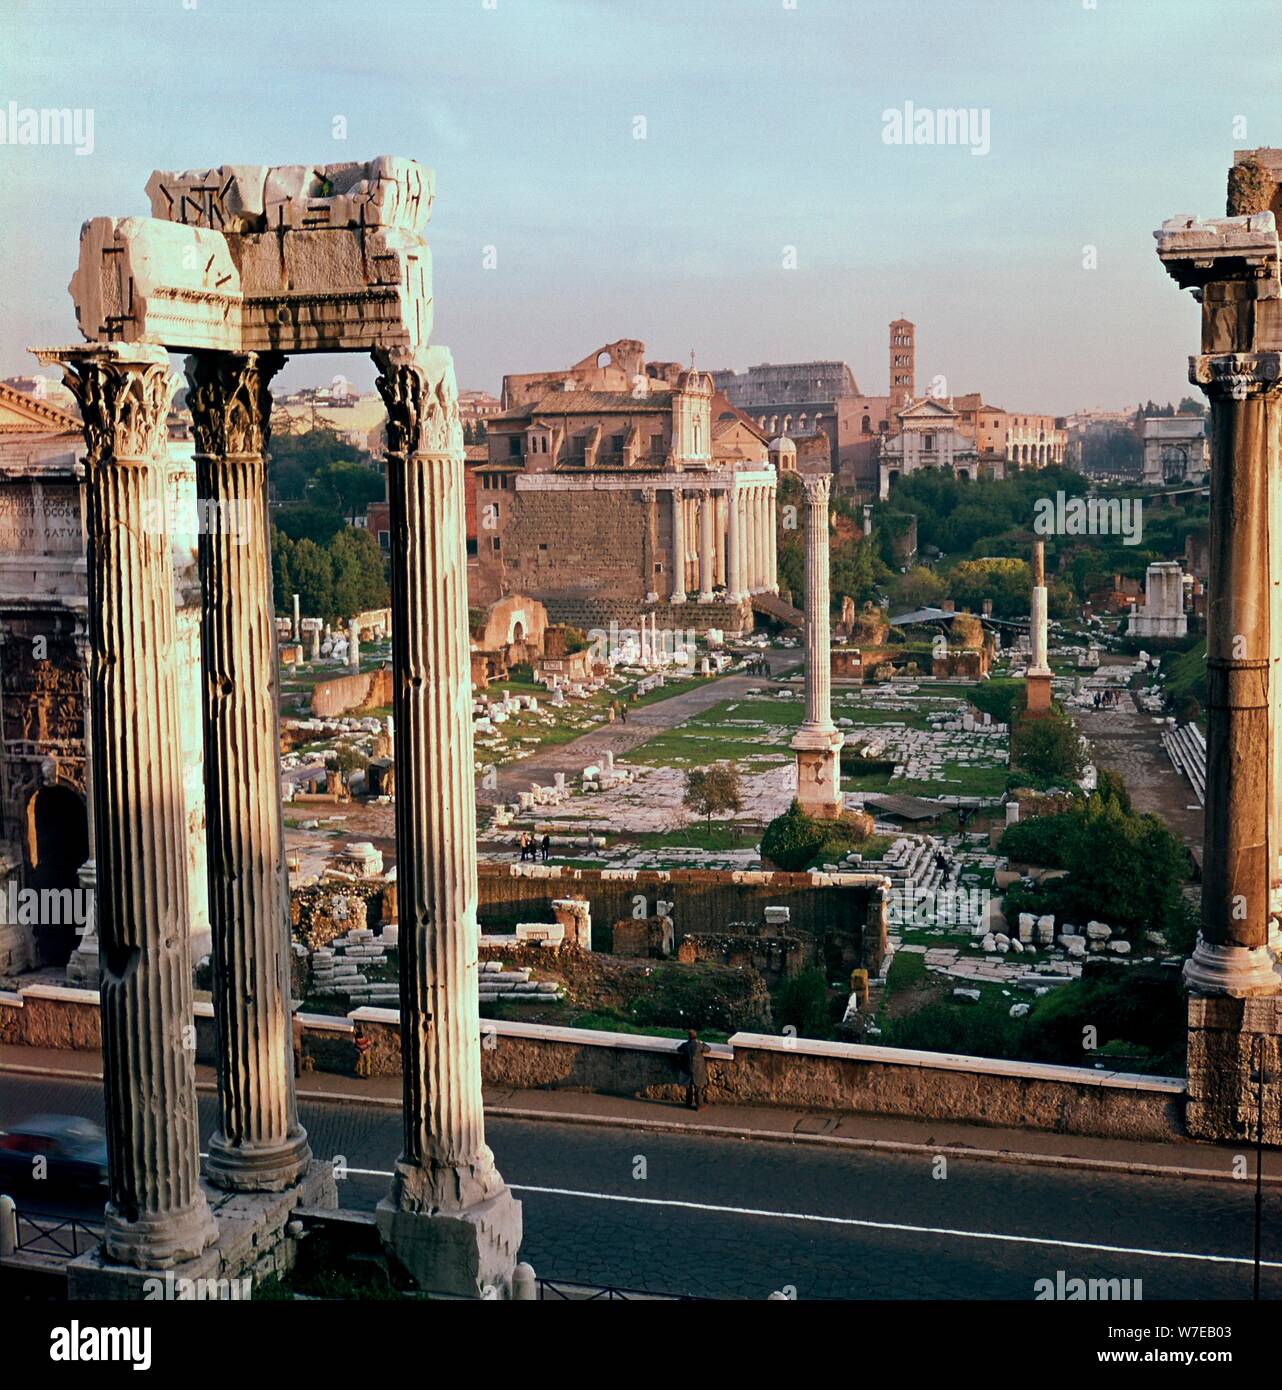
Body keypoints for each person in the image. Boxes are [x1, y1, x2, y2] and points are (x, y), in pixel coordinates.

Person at [676, 1027, 709, 1111]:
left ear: (689, 1036)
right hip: (698, 1070)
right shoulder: (699, 1045)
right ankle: (699, 1105)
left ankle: (688, 1103)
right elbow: (708, 1049)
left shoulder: (685, 1045)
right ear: (696, 1036)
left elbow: (678, 1049)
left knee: (688, 1087)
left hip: (687, 1069)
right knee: (698, 1088)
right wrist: (702, 1042)